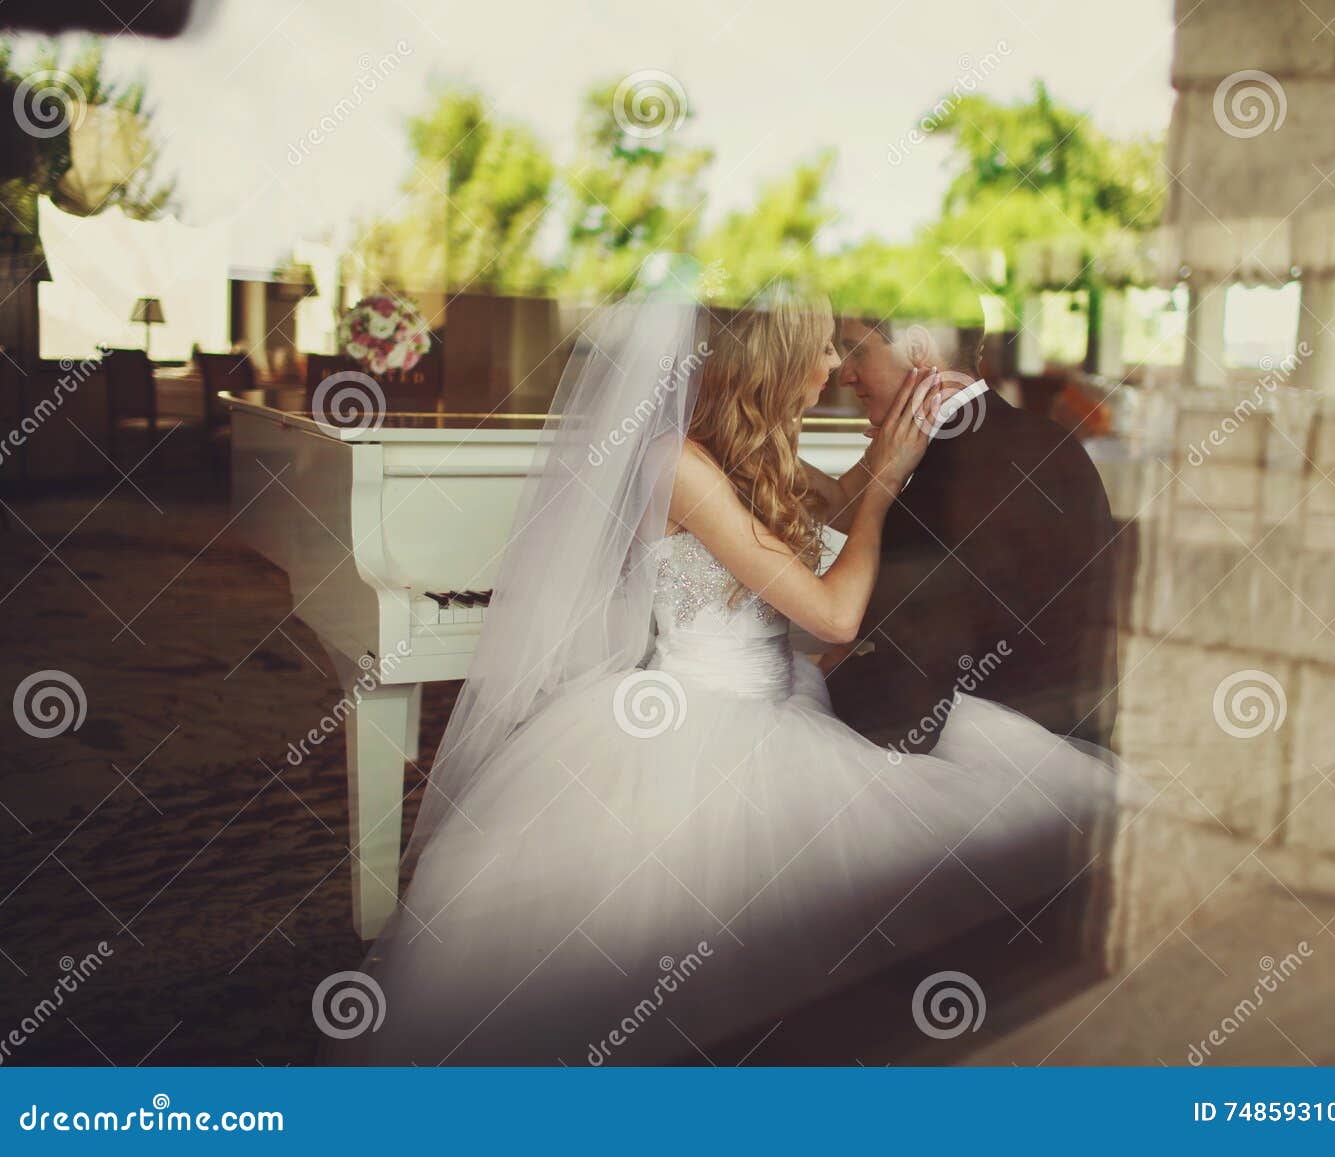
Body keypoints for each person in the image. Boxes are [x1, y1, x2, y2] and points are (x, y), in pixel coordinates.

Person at [319, 286, 1135, 1067]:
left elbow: (833, 506)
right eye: (820, 350)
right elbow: (835, 616)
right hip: (698, 725)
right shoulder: (682, 464)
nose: (834, 370)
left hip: (779, 704)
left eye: (843, 349)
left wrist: (890, 458)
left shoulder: (749, 453)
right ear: (774, 361)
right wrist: (887, 484)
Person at [827, 315, 1121, 753]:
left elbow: (865, 630)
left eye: (857, 351)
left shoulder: (961, 471)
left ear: (917, 348)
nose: (844, 373)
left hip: (977, 758)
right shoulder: (1038, 437)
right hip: (1066, 735)